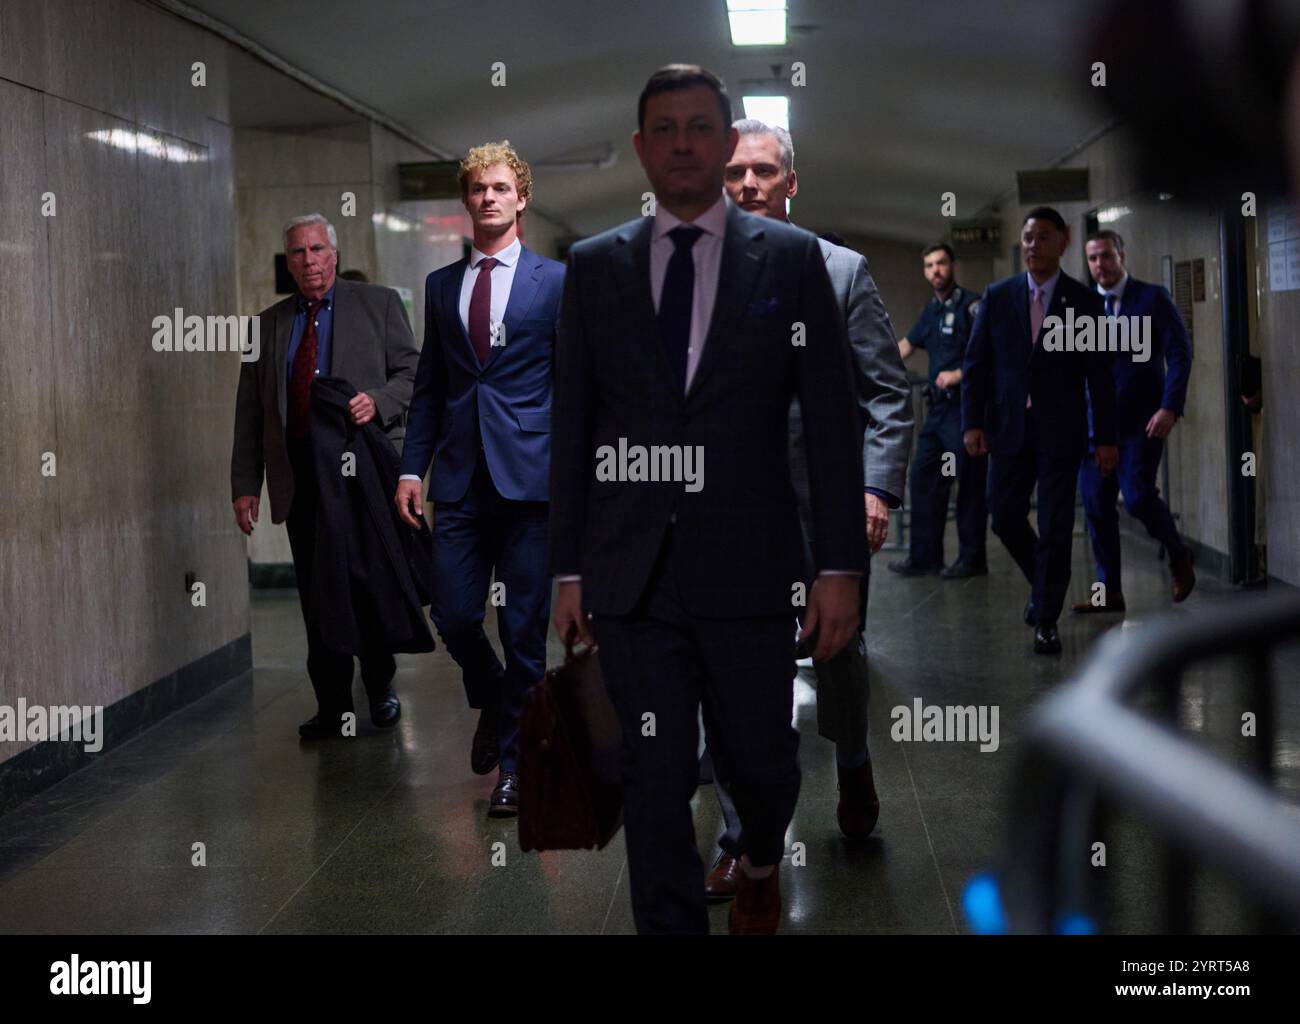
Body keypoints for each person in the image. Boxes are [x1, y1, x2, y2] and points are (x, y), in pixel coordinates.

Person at [550, 65, 865, 935]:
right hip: (634, 574)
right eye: (665, 127)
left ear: (727, 145)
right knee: (654, 783)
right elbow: (574, 425)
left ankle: (760, 857)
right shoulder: (595, 267)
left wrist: (841, 564)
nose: (683, 142)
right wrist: (568, 568)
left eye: (700, 127)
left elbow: (834, 425)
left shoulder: (793, 262)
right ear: (643, 148)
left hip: (754, 566)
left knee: (761, 764)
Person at [700, 118, 911, 901]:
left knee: (836, 655)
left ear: (791, 183)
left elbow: (887, 393)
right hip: (724, 512)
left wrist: (876, 488)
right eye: (733, 174)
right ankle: (738, 838)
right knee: (728, 675)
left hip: (824, 510)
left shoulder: (842, 273)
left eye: (762, 171)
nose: (747, 184)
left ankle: (852, 762)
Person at [395, 142, 565, 818]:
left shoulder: (555, 282)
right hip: (461, 478)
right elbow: (431, 388)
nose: (488, 197)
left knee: (524, 630)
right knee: (457, 614)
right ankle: (497, 701)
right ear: (465, 201)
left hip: (532, 481)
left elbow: (574, 383)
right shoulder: (442, 287)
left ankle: (516, 772)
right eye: (476, 188)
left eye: (499, 187)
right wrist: (413, 467)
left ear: (521, 198)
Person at [231, 214, 419, 737]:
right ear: (287, 262)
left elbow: (413, 373)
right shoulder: (266, 327)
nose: (309, 260)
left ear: (334, 254)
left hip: (362, 479)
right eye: (298, 253)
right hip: (303, 483)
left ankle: (379, 687)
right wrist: (246, 483)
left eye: (317, 249)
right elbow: (251, 411)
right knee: (318, 596)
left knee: (366, 584)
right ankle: (334, 704)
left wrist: (377, 402)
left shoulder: (377, 305)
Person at [961, 206, 1118, 655]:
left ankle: (1046, 618)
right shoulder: (998, 296)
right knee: (1003, 515)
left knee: (1054, 525)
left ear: (1063, 241)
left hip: (1060, 432)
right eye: (1028, 238)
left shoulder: (1084, 302)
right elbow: (976, 366)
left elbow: (1099, 376)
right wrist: (972, 422)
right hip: (1008, 429)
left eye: (1043, 238)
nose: (1033, 246)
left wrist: (1105, 437)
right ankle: (1045, 583)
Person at [1074, 230, 1194, 612]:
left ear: (1122, 256)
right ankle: (1108, 591)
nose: (1100, 265)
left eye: (1106, 256)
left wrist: (1170, 407)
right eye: (1093, 259)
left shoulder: (1153, 297)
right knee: (1096, 504)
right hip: (1095, 425)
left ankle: (1178, 554)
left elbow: (1179, 353)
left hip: (1143, 421)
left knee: (1139, 495)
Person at [890, 244, 989, 578]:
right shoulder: (932, 309)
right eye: (929, 265)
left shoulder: (972, 306)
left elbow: (988, 353)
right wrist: (874, 362)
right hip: (937, 413)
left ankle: (972, 558)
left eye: (941, 263)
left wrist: (958, 374)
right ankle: (924, 556)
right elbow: (908, 344)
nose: (935, 270)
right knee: (924, 477)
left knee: (969, 485)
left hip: (965, 409)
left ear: (953, 266)